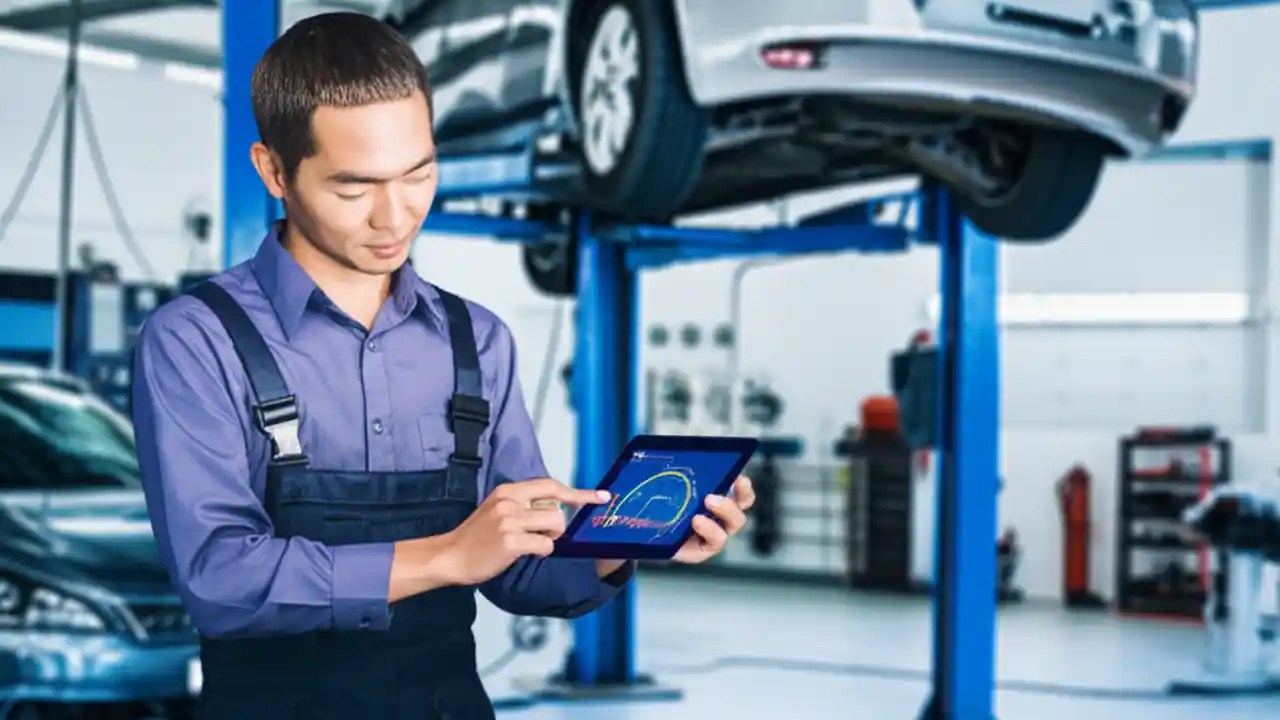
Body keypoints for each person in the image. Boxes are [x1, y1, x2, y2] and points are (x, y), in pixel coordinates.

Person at [130, 11, 755, 720]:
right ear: (274, 170)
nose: (394, 216)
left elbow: (521, 569)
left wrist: (630, 540)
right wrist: (448, 556)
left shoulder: (477, 341)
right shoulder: (197, 341)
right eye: (354, 188)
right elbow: (221, 579)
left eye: (419, 173)